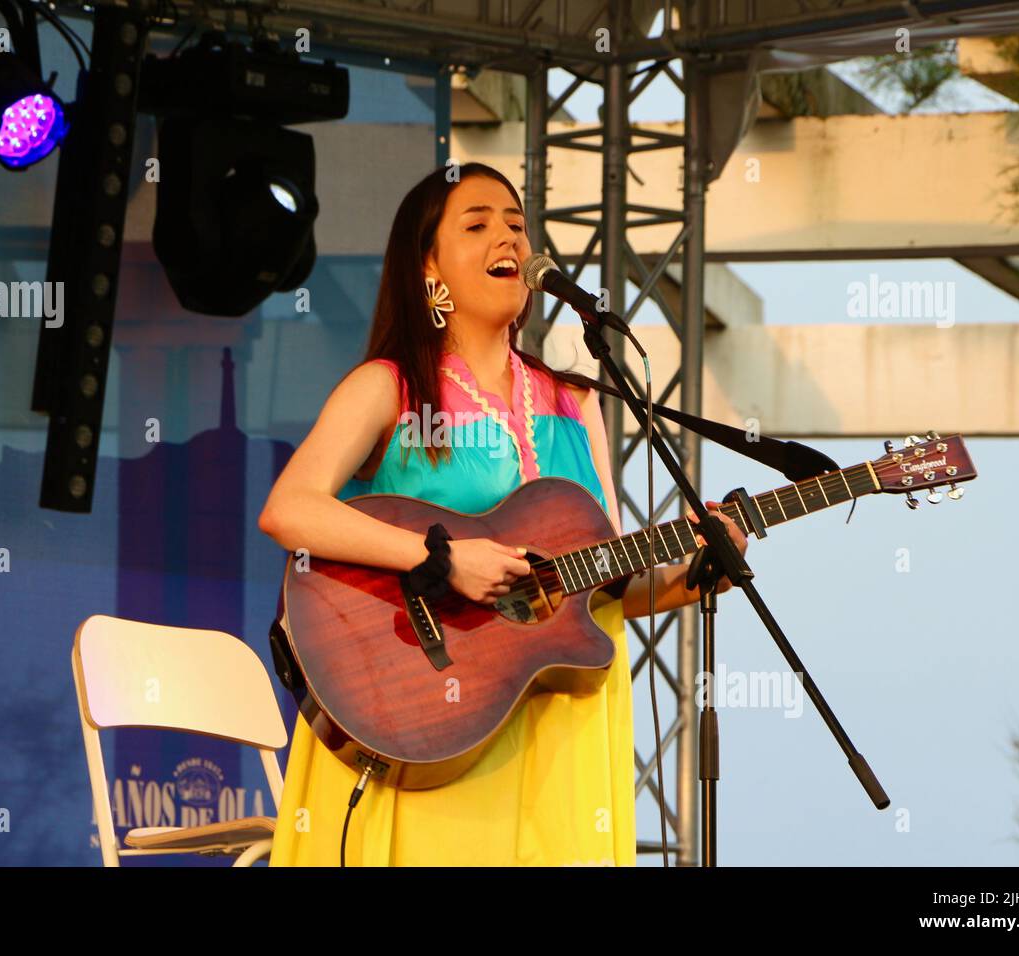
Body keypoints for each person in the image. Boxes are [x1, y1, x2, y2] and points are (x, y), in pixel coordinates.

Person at [257, 162, 748, 866]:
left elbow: (603, 588)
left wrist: (693, 576)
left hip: (558, 725)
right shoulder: (388, 387)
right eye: (478, 225)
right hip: (420, 707)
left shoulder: (576, 403)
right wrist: (443, 559)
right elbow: (289, 510)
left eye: (517, 225)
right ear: (429, 268)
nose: (508, 239)